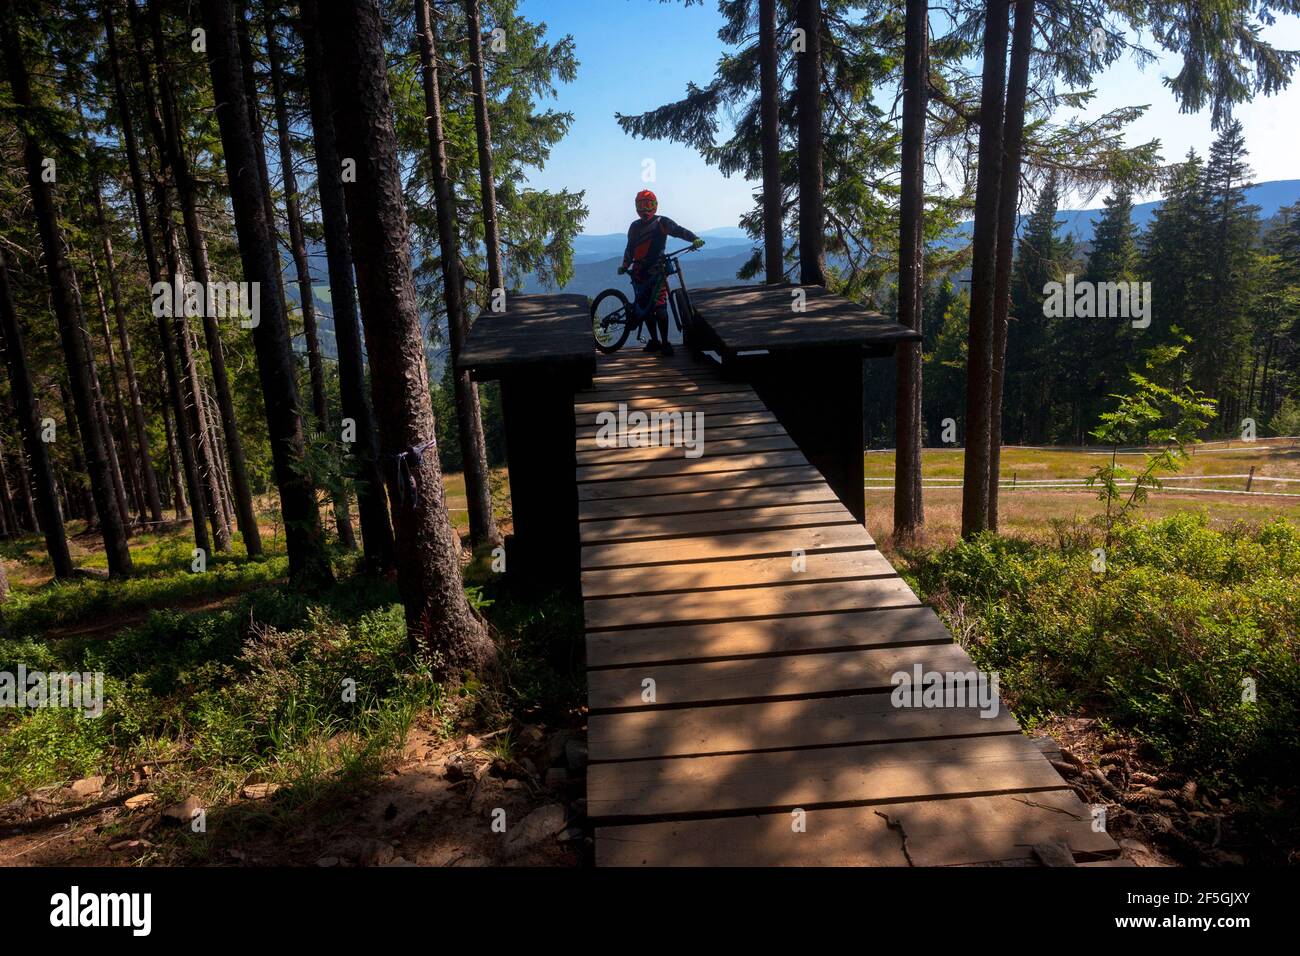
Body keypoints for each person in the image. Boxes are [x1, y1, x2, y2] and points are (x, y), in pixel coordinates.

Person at [619, 189, 704, 356]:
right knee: (646, 308)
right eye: (641, 205)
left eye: (648, 204)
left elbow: (678, 230)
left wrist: (694, 238)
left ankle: (664, 342)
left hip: (657, 271)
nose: (644, 209)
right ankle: (656, 341)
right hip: (639, 272)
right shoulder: (634, 227)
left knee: (659, 307)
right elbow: (630, 248)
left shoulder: (661, 222)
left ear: (655, 205)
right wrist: (625, 265)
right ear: (636, 207)